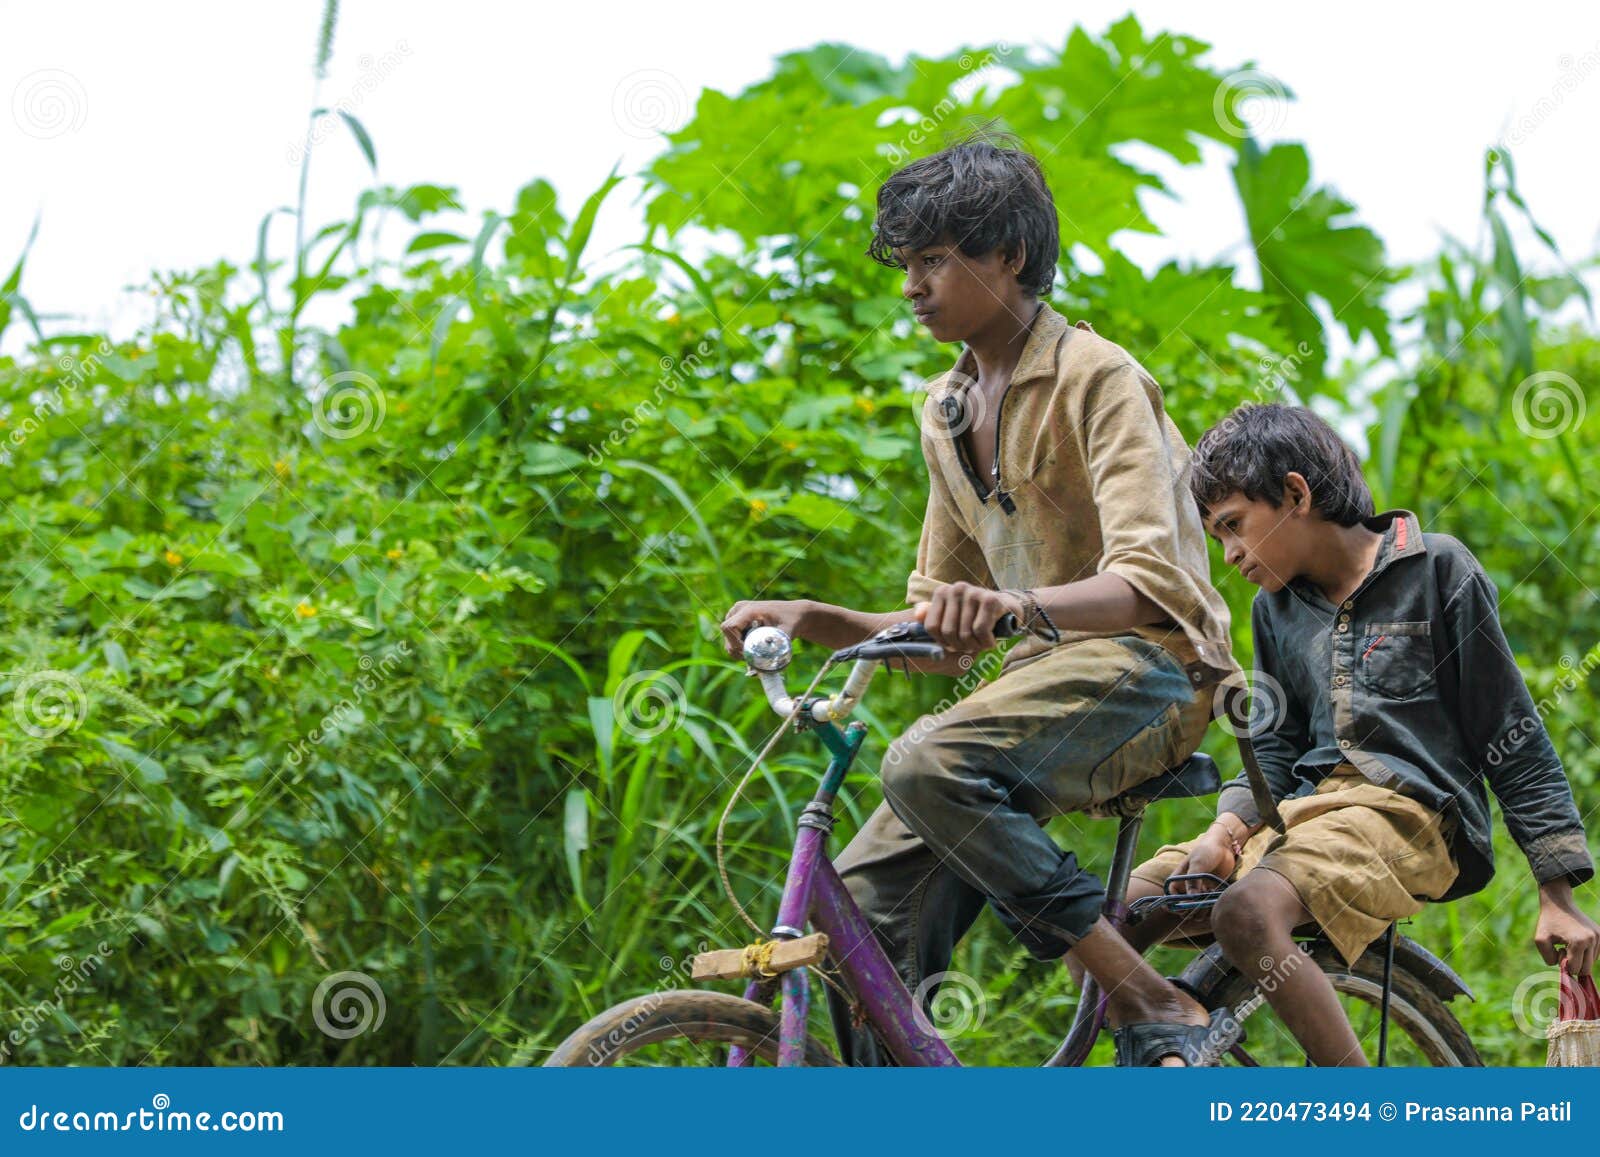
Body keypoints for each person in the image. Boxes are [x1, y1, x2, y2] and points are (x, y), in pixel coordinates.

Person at [719, 134, 1238, 1066]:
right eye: (907, 264)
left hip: (1154, 672)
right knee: (862, 914)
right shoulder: (946, 412)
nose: (913, 285)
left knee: (924, 760)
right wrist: (818, 617)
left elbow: (1150, 583)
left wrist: (1016, 611)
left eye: (935, 260)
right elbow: (942, 630)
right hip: (1036, 687)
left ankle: (1145, 996)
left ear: (1008, 254)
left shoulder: (1099, 376)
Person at [1122, 402, 1600, 1065]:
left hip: (1409, 816)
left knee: (1244, 914)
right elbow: (1276, 747)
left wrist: (1559, 895)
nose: (1229, 554)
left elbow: (1511, 733)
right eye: (1216, 537)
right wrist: (1224, 832)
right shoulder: (1275, 608)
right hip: (1301, 814)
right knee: (1116, 916)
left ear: (1295, 494)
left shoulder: (1438, 570)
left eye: (1234, 527)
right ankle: (1170, 1058)